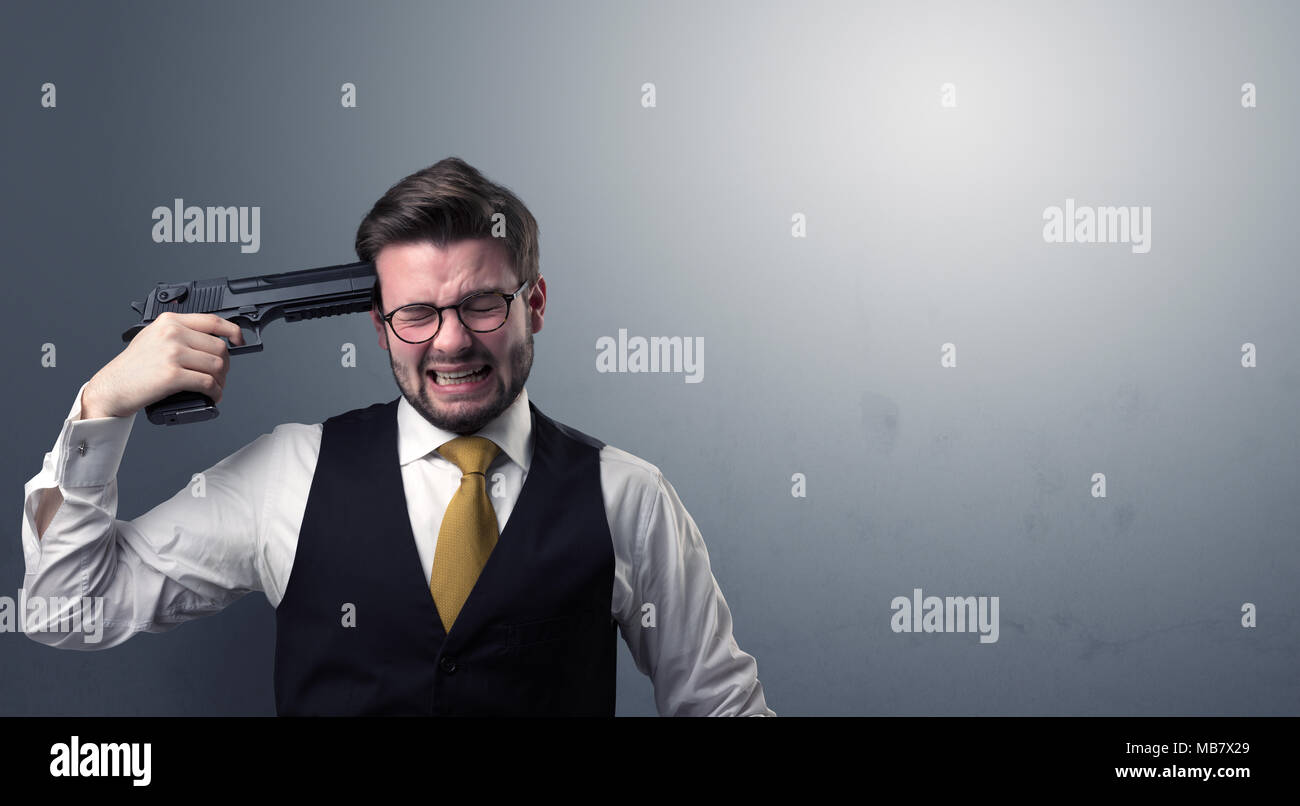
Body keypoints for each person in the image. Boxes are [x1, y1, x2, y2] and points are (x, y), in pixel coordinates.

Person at [20, 157, 775, 716]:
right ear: (379, 328)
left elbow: (720, 708)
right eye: (416, 313)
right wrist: (100, 407)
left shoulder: (627, 495)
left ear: (534, 303)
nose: (450, 343)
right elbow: (64, 611)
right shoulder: (289, 474)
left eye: (482, 304)